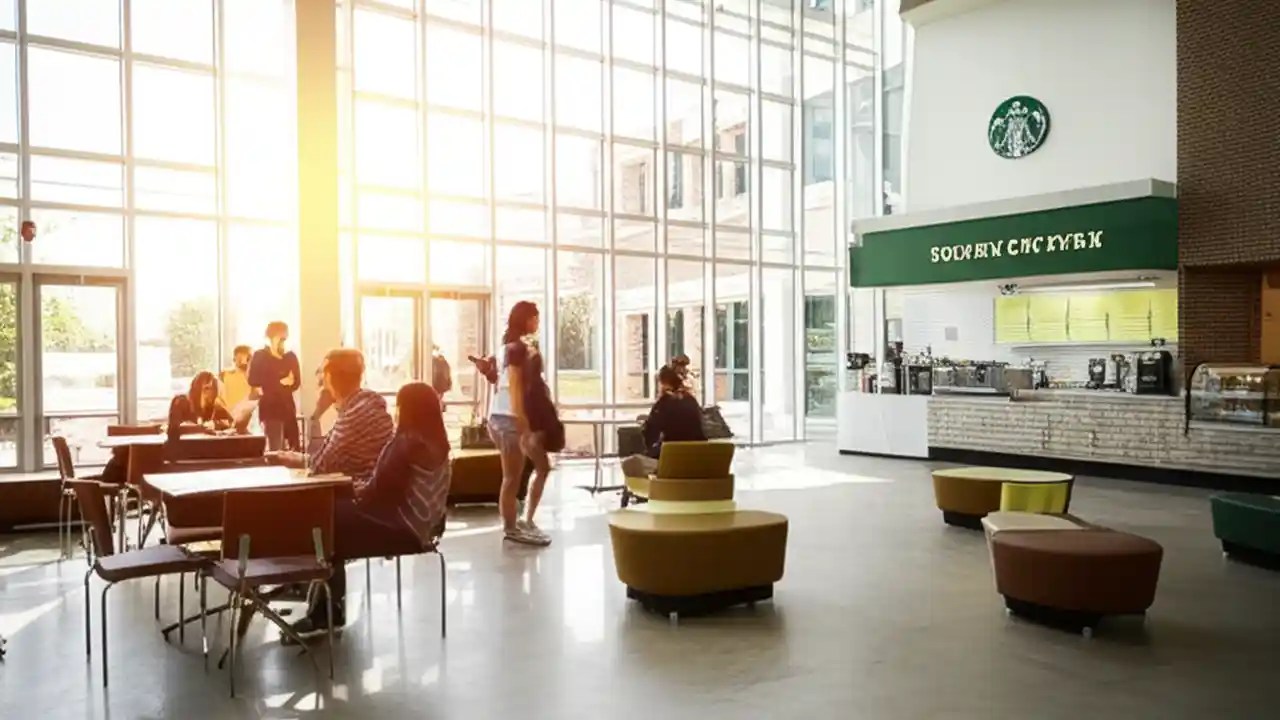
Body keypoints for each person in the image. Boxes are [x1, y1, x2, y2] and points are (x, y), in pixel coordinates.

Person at [288, 380, 449, 637]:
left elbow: (376, 495)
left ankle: (321, 607)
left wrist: (352, 490)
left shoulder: (405, 444)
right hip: (425, 528)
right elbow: (385, 488)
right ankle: (323, 600)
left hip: (401, 528)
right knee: (335, 518)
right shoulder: (439, 445)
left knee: (326, 520)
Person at [489, 301, 556, 546]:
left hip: (504, 416)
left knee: (542, 466)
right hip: (508, 419)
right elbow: (515, 386)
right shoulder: (515, 348)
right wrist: (523, 422)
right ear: (526, 318)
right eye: (535, 317)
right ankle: (511, 528)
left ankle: (525, 520)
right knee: (512, 477)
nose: (537, 322)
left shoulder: (512, 347)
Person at [620, 364, 707, 478]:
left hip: (672, 463)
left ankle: (644, 491)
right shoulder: (691, 401)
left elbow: (650, 434)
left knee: (631, 463)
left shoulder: (664, 402)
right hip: (697, 462)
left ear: (663, 383)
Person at [248, 321, 302, 451]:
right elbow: (254, 380)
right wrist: (279, 382)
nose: (283, 341)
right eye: (280, 338)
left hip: (287, 407)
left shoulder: (290, 356)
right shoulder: (260, 356)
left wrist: (279, 382)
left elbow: (295, 382)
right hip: (270, 408)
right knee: (275, 445)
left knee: (293, 447)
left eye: (285, 338)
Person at [167, 371, 235, 441]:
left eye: (213, 388)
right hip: (181, 448)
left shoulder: (212, 408)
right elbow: (174, 429)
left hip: (202, 447)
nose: (211, 392)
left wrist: (215, 424)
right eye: (207, 388)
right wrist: (203, 428)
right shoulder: (180, 402)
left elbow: (231, 423)